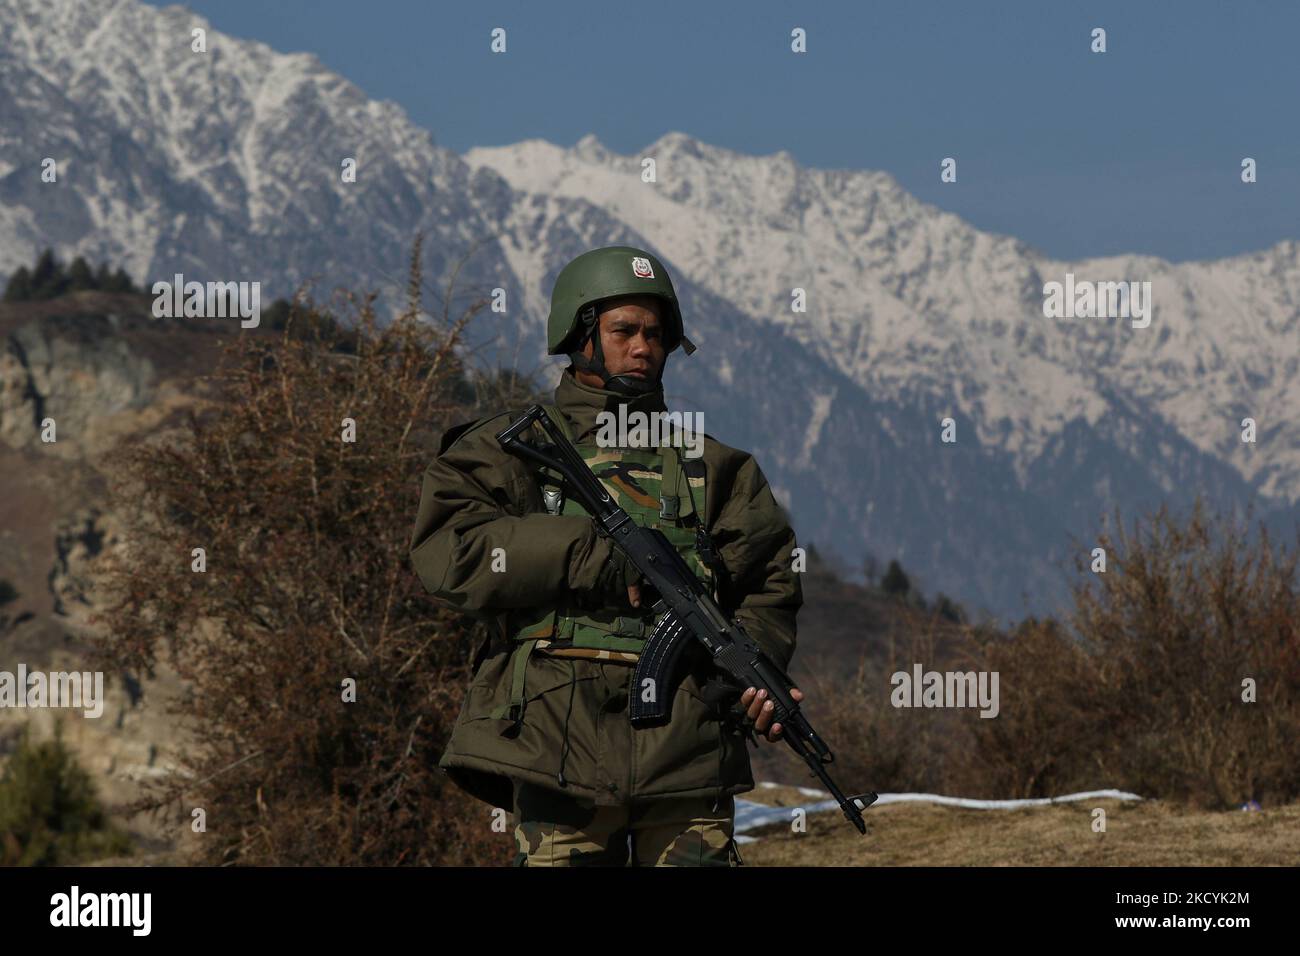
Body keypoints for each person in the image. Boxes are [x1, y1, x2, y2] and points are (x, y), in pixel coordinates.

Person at [409, 245, 803, 866]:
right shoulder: (508, 450)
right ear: (580, 334)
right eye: (624, 331)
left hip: (688, 750)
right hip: (555, 744)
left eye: (656, 334)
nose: (643, 348)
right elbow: (450, 552)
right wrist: (590, 553)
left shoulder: (719, 469)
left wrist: (750, 670)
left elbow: (769, 585)